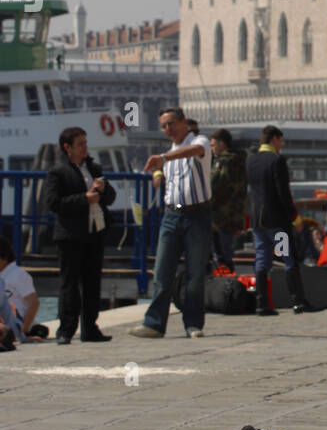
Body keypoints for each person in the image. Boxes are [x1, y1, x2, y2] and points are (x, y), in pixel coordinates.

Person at [130, 108, 212, 338]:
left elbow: (195, 151)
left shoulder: (200, 142)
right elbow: (165, 172)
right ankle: (154, 323)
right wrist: (158, 173)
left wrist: (163, 159)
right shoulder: (170, 154)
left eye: (172, 124)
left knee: (195, 273)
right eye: (165, 126)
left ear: (184, 122)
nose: (169, 129)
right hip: (171, 215)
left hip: (197, 214)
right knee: (162, 270)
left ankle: (193, 323)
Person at [43, 127, 116, 344]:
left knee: (92, 282)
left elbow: (110, 198)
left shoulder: (94, 168)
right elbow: (54, 203)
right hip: (71, 235)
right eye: (80, 144)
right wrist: (84, 198)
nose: (84, 148)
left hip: (94, 232)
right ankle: (66, 329)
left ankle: (90, 327)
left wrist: (102, 190)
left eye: (85, 143)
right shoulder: (58, 172)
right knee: (70, 284)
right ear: (68, 148)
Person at [245, 125, 309, 315]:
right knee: (288, 258)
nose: (281, 145)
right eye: (281, 141)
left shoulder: (251, 161)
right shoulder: (277, 160)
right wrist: (294, 218)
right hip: (276, 220)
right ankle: (297, 301)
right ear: (275, 139)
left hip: (257, 220)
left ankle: (261, 303)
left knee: (262, 260)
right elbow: (283, 193)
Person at [209, 128, 247, 271]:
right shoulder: (239, 160)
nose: (212, 149)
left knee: (221, 255)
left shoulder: (224, 161)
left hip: (221, 216)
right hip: (233, 215)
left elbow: (216, 185)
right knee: (226, 253)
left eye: (213, 145)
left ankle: (224, 284)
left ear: (222, 144)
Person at [0, 237, 47, 337]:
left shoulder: (18, 275)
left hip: (13, 323)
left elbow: (34, 303)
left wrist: (23, 330)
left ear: (4, 258)